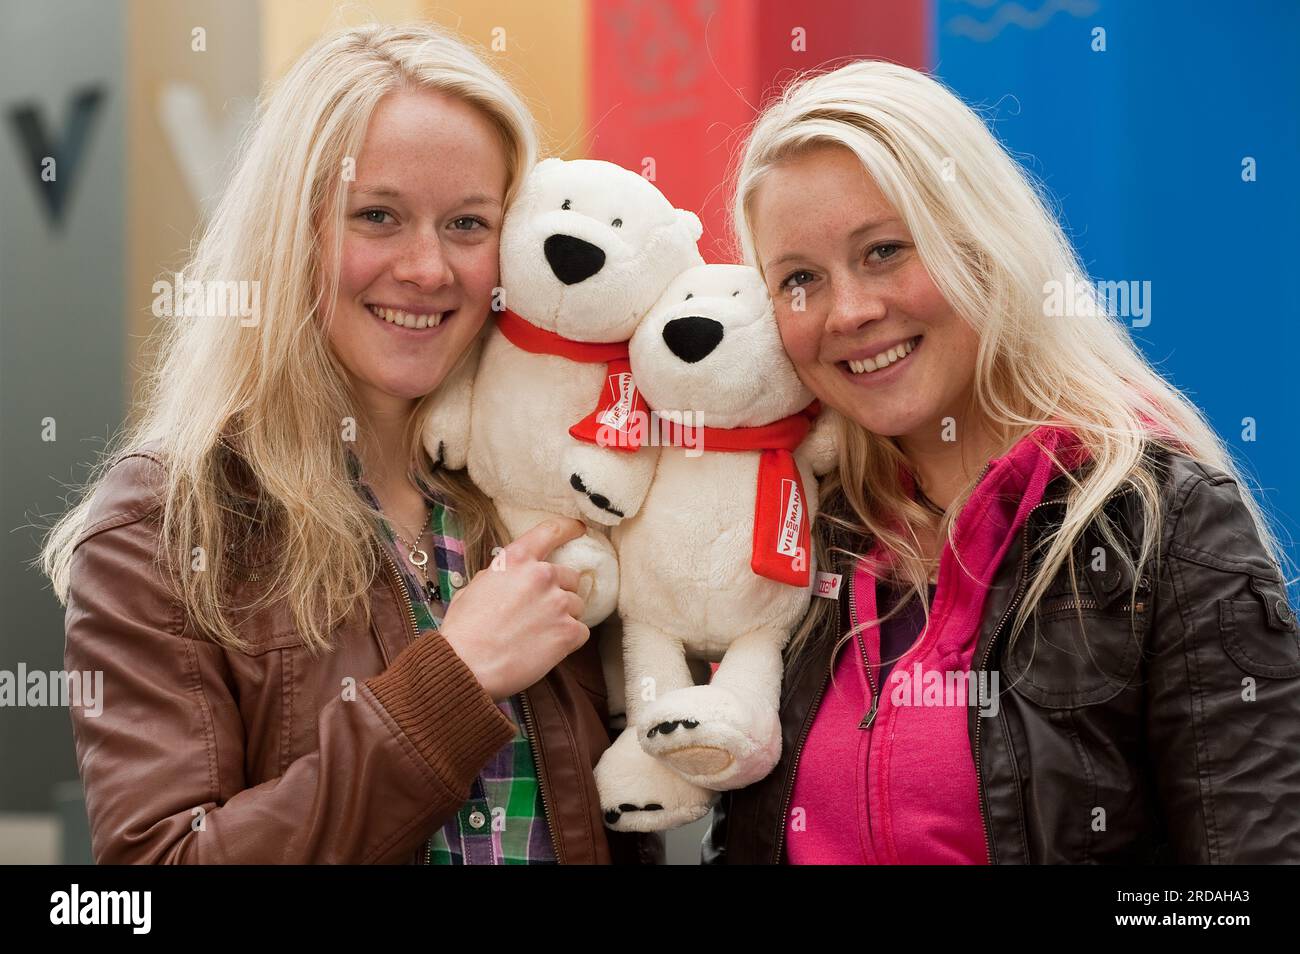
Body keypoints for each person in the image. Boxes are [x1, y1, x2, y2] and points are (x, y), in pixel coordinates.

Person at [40, 23, 658, 865]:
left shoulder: (546, 500)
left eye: (468, 225)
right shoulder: (166, 522)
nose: (429, 268)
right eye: (377, 216)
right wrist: (456, 679)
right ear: (290, 234)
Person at [703, 60, 1300, 864]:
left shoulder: (1167, 522)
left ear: (981, 245)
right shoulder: (792, 538)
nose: (849, 311)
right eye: (800, 279)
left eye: (883, 251)